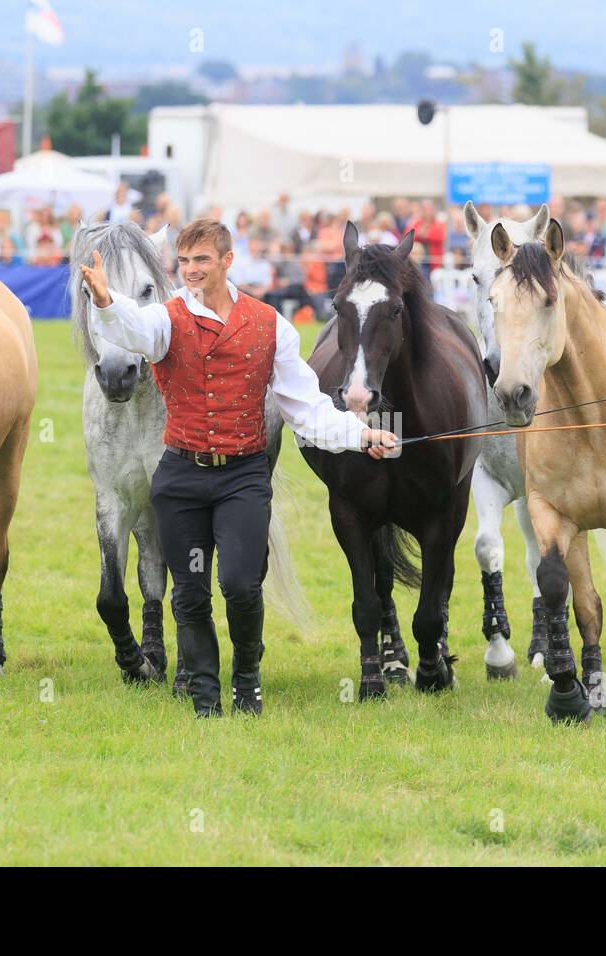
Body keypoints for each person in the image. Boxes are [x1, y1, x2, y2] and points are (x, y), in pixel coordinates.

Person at [79, 218, 397, 718]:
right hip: (181, 474)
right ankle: (205, 691)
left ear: (228, 262)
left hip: (242, 474)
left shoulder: (271, 326)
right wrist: (103, 301)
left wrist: (360, 436)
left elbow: (306, 407)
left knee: (242, 584)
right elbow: (132, 329)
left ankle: (247, 676)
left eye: (202, 261)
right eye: (183, 262)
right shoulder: (166, 319)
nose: (191, 272)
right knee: (189, 590)